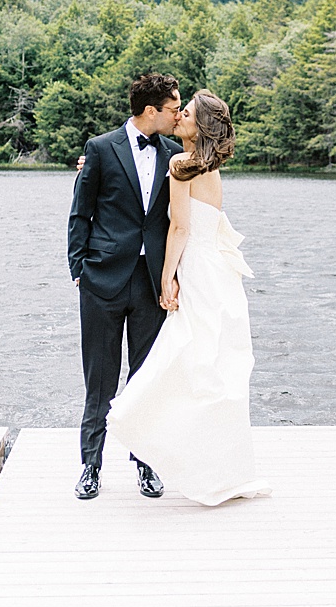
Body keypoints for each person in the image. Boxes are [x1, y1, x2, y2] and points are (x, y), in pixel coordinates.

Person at [106, 89, 272, 506]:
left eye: (188, 113)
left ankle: (170, 446)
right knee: (213, 368)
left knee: (187, 360)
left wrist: (167, 279)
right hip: (219, 273)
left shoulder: (182, 164)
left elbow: (180, 229)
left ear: (200, 127)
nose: (178, 115)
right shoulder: (209, 168)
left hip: (197, 270)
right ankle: (218, 467)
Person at [67, 72, 183, 500]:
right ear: (151, 110)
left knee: (146, 378)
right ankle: (90, 466)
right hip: (102, 279)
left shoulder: (175, 154)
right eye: (173, 108)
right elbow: (80, 212)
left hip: (152, 281)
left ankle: (146, 463)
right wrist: (78, 269)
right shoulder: (99, 149)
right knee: (99, 379)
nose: (178, 115)